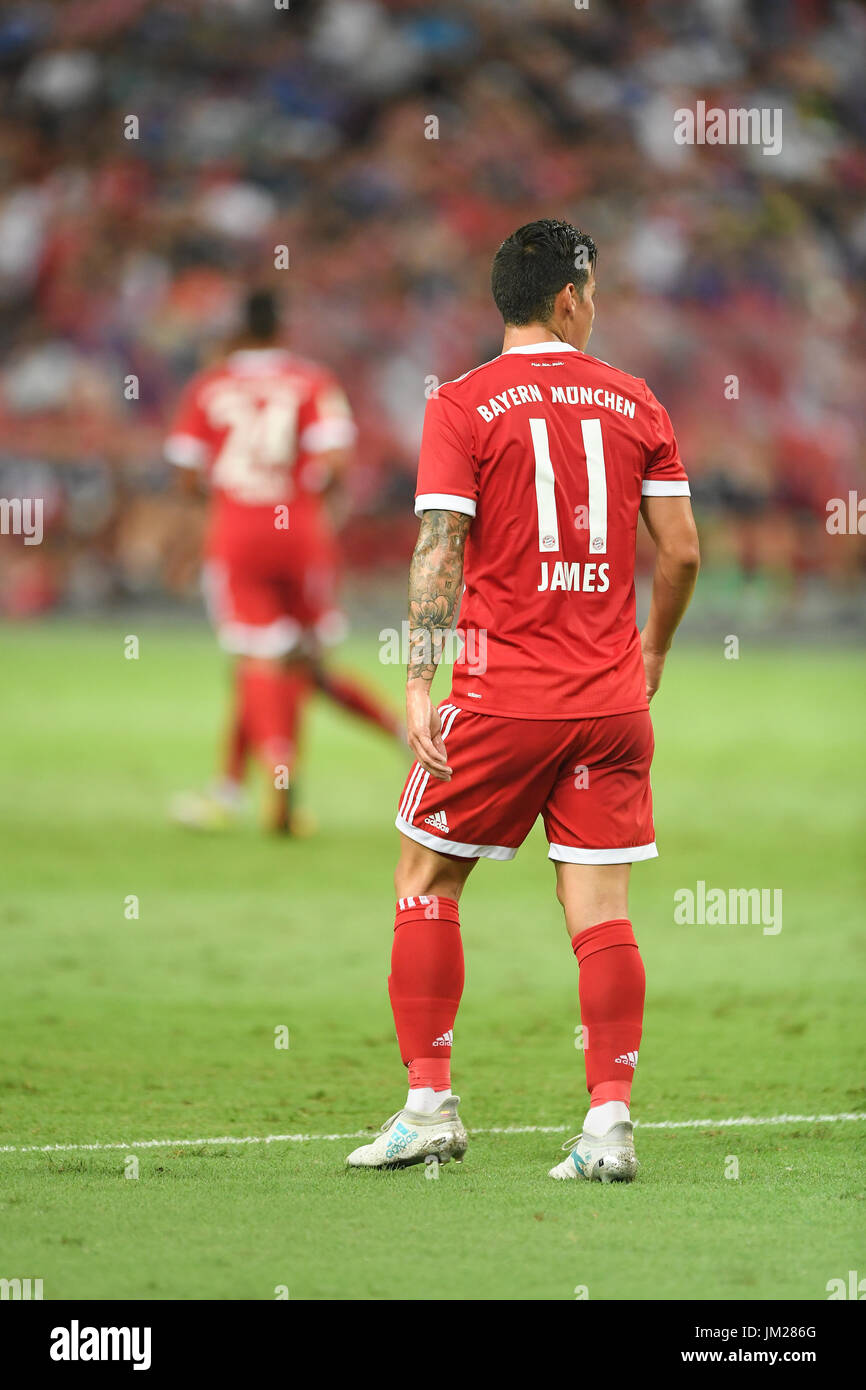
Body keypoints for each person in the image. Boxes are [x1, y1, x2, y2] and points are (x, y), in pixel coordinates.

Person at [346, 219, 700, 1179]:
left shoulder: (463, 403)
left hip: (506, 695)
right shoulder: (636, 401)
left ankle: (428, 1106)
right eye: (594, 293)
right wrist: (653, 648)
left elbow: (438, 547)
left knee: (426, 880)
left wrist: (420, 677)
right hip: (614, 700)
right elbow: (683, 551)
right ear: (568, 300)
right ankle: (609, 1128)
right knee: (600, 911)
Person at [165, 289, 402, 834]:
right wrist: (314, 512)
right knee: (303, 665)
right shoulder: (312, 381)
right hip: (300, 529)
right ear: (282, 330)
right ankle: (407, 738)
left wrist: (223, 513)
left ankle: (273, 773)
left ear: (236, 332)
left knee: (257, 662)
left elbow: (184, 473)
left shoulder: (210, 385)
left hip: (239, 530)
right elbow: (336, 463)